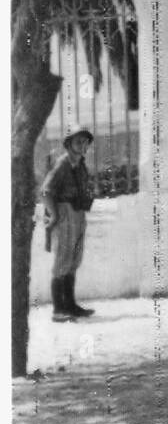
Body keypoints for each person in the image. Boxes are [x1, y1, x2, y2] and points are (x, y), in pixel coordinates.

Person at [42, 128, 96, 323]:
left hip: (78, 213)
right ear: (68, 144)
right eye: (78, 142)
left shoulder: (80, 164)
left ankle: (70, 305)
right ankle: (58, 309)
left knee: (74, 260)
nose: (83, 146)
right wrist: (54, 215)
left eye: (85, 142)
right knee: (62, 261)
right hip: (65, 213)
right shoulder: (62, 164)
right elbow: (46, 192)